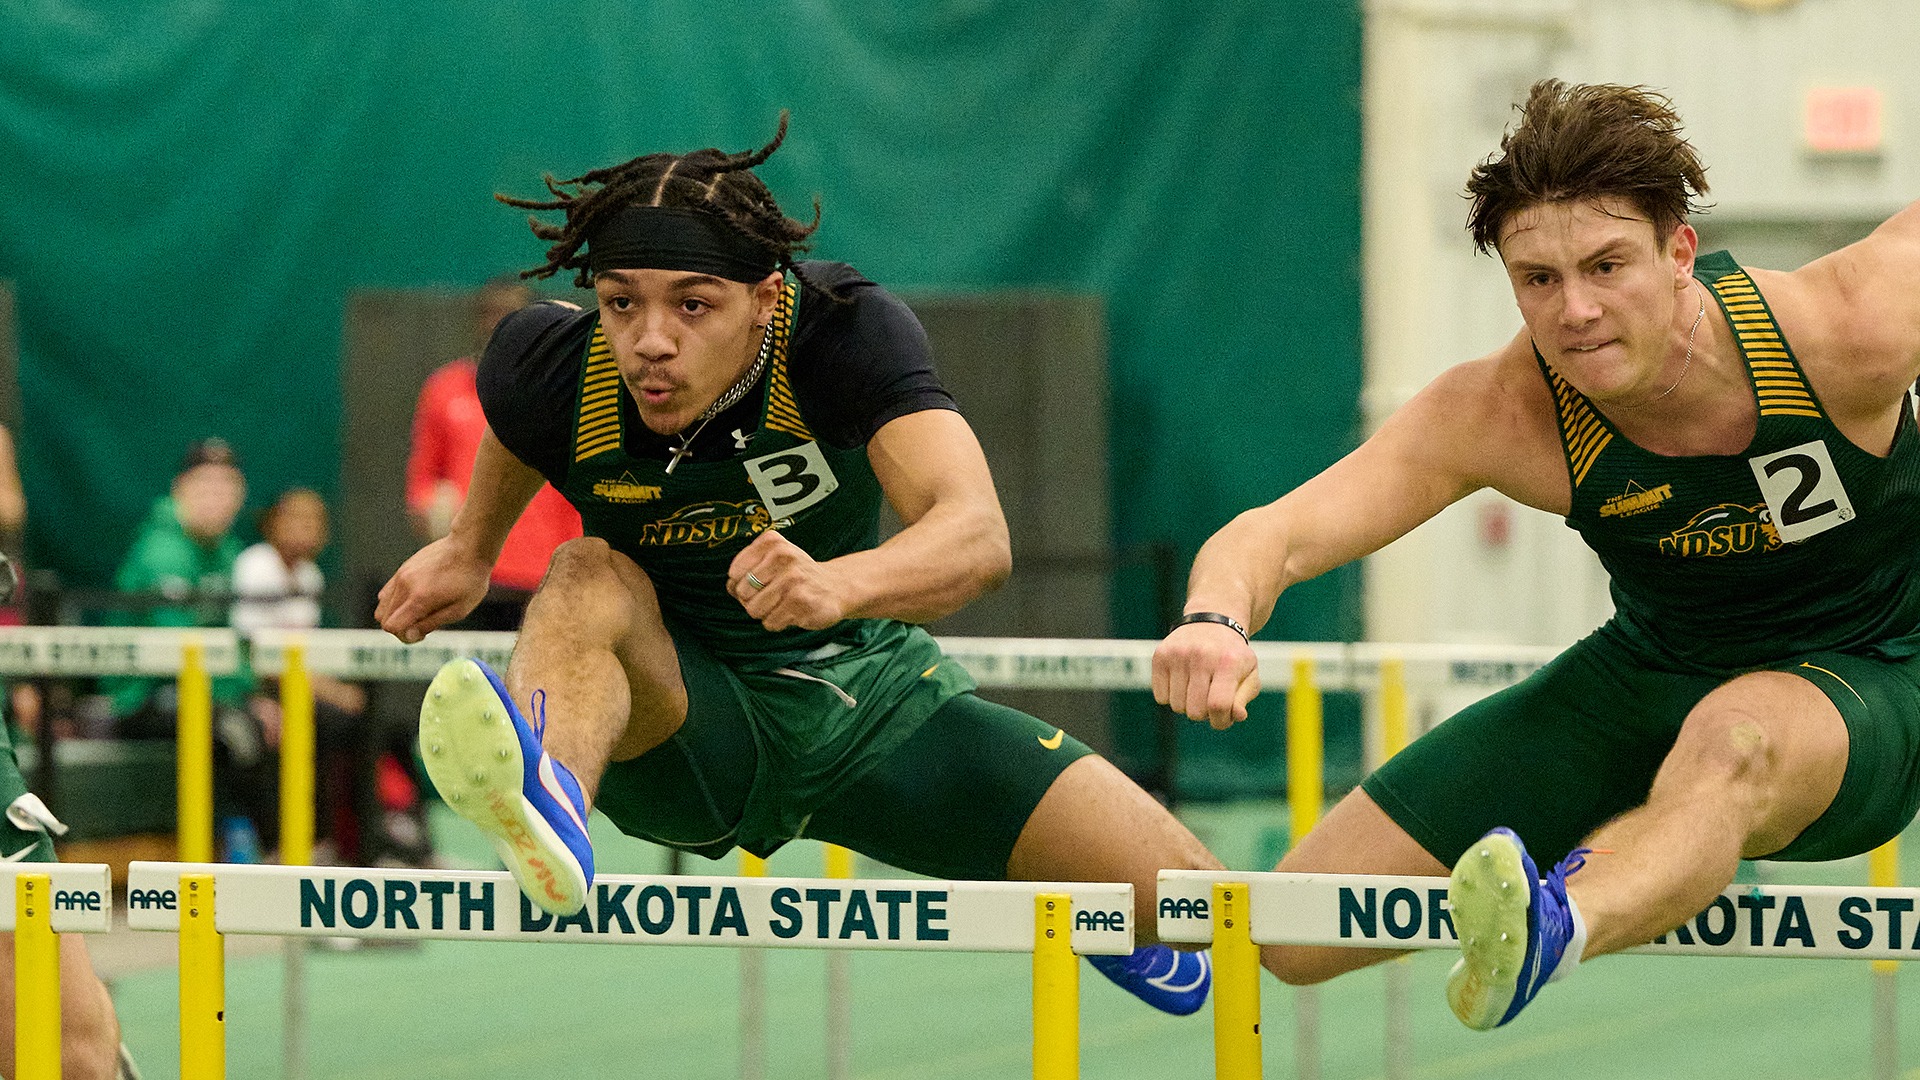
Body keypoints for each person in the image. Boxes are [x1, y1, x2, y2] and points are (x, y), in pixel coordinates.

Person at [376, 115, 1219, 1013]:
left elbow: (975, 534)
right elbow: (516, 425)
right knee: (585, 571)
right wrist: (470, 550)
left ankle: (1089, 905)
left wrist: (839, 583)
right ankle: (549, 805)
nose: (649, 340)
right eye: (622, 302)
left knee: (1214, 904)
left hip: (872, 704)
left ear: (766, 300)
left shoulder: (840, 336)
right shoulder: (546, 365)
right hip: (688, 726)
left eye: (692, 304)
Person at [1154, 78, 1920, 1030]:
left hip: (1875, 672)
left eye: (1608, 266)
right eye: (1539, 281)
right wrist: (1215, 617)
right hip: (1651, 672)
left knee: (1734, 739)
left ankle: (1555, 927)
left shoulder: (1850, 327)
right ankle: (1144, 930)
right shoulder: (1506, 413)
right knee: (1298, 932)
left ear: (1681, 249)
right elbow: (1278, 532)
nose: (1577, 312)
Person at [107, 438, 275, 859]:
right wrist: (244, 700)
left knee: (290, 718)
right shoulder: (160, 551)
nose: (216, 499)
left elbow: (239, 643)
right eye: (205, 486)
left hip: (210, 693)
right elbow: (181, 654)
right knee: (236, 727)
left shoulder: (232, 554)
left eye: (227, 487)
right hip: (142, 697)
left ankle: (300, 850)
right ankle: (256, 851)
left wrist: (253, 695)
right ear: (180, 490)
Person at [406, 278, 582, 630]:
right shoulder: (443, 389)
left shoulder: (565, 393)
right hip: (473, 574)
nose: (498, 322)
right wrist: (434, 516)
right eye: (490, 314)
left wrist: (568, 571)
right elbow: (423, 482)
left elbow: (578, 490)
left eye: (511, 315)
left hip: (544, 577)